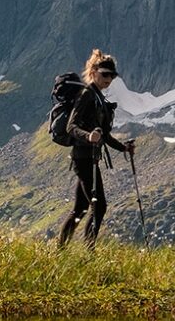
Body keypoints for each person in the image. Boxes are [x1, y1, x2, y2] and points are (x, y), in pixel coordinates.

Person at [57, 49, 134, 248]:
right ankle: (89, 252)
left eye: (112, 75)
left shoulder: (98, 97)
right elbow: (71, 127)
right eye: (105, 74)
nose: (109, 78)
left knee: (81, 208)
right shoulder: (86, 95)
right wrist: (88, 136)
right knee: (99, 207)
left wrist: (123, 148)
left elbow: (105, 135)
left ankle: (59, 251)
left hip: (89, 158)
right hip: (82, 159)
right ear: (94, 72)